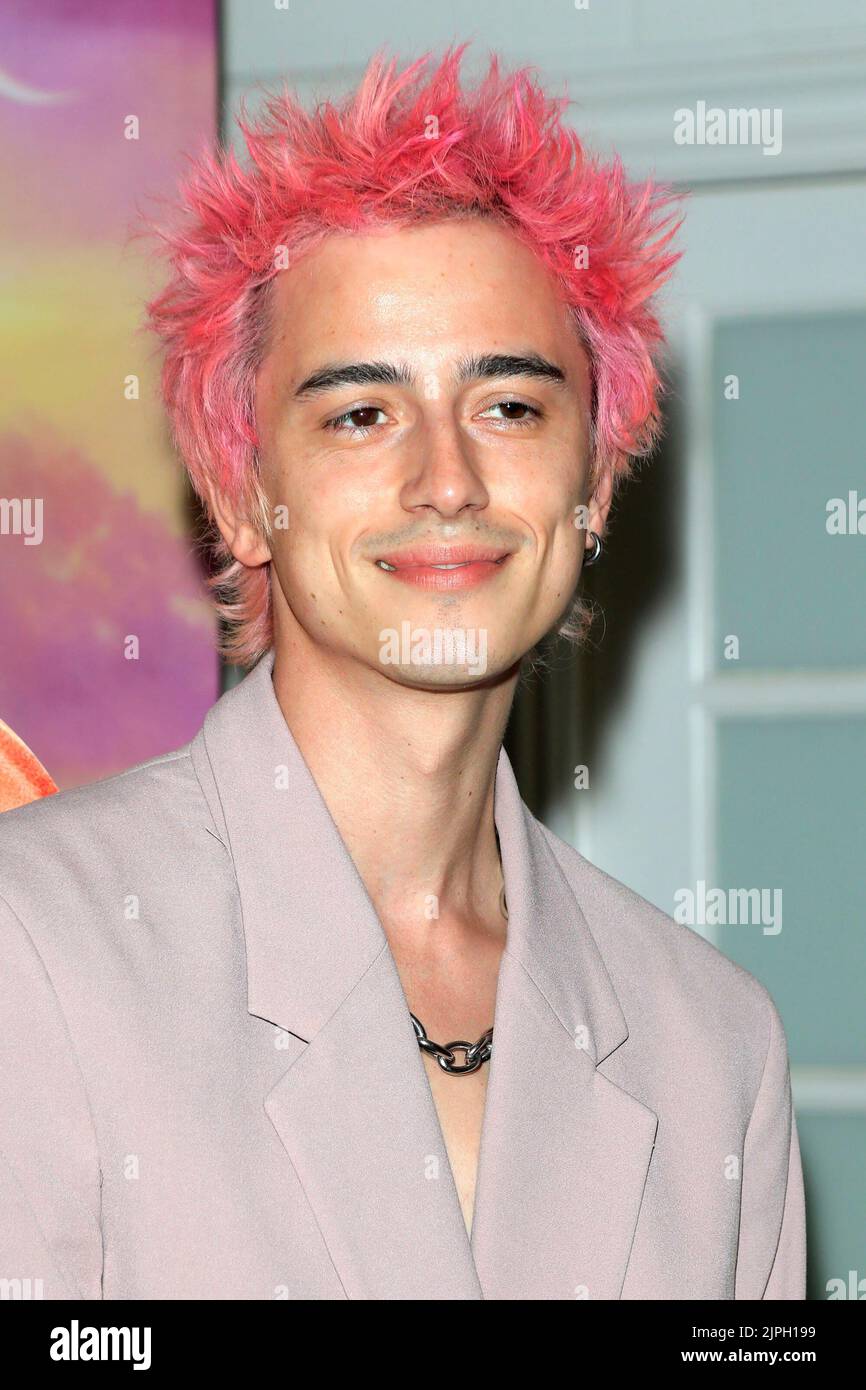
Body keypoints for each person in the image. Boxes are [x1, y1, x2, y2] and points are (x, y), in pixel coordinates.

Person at [0, 44, 805, 1300]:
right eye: (359, 414)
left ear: (592, 487)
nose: (445, 481)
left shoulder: (714, 1048)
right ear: (239, 491)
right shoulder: (33, 946)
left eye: (510, 407)